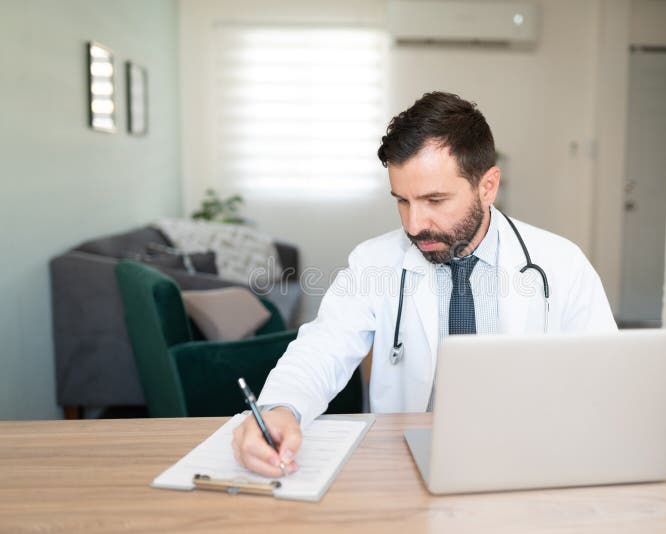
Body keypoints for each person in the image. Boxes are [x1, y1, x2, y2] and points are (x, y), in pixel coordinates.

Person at [232, 91, 617, 477]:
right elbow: (322, 348)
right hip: (406, 470)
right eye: (402, 201)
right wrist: (281, 408)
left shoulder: (561, 265)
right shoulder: (373, 262)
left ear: (488, 186)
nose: (414, 225)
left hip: (529, 463)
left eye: (434, 200)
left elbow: (608, 381)